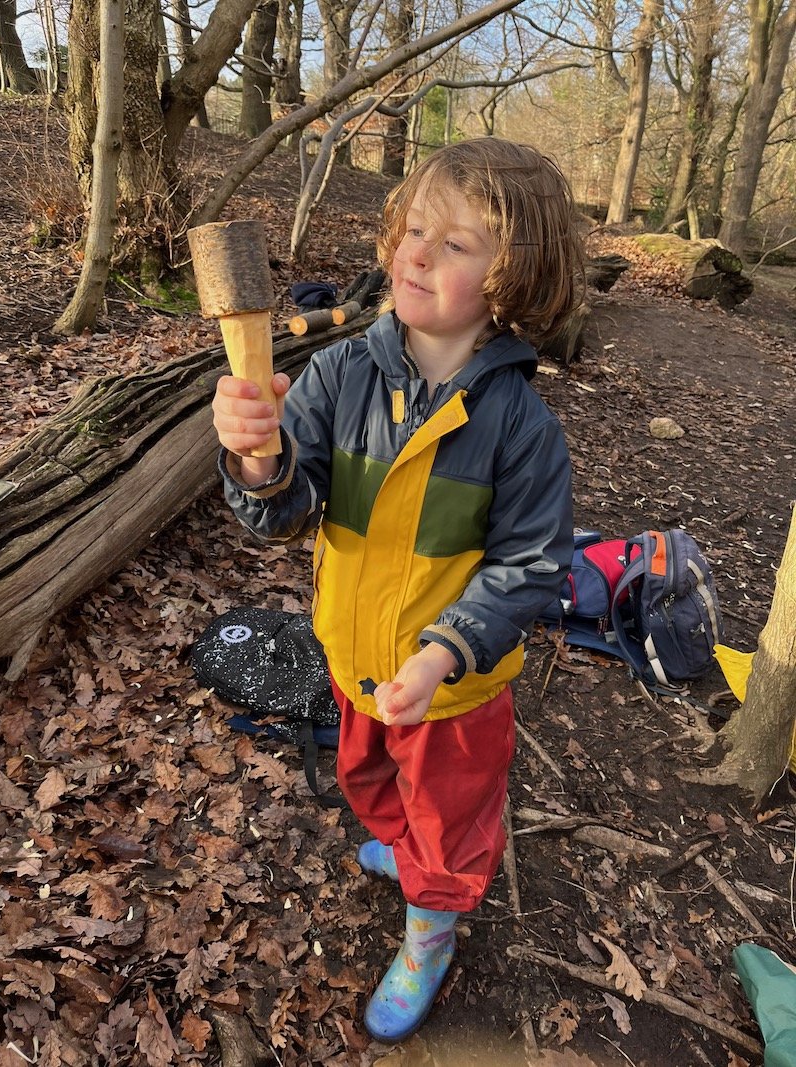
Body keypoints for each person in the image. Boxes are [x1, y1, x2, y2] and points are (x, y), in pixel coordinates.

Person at [211, 137, 583, 1044]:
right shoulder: (340, 376)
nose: (415, 253)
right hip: (354, 660)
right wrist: (259, 462)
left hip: (451, 694)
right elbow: (287, 512)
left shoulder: (520, 430)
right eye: (414, 229)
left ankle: (431, 929)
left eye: (455, 244)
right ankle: (404, 848)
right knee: (365, 776)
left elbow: (531, 565)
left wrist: (447, 647)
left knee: (448, 823)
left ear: (513, 277)